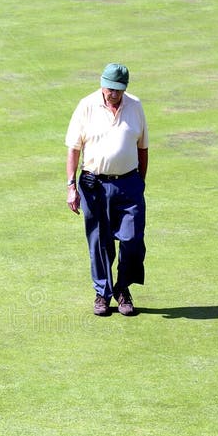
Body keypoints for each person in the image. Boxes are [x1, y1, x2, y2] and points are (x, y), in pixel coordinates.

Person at [65, 63, 149, 317]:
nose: (114, 94)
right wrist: (71, 186)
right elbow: (73, 148)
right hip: (95, 184)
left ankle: (123, 288)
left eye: (119, 89)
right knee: (100, 241)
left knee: (132, 240)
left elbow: (143, 147)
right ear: (102, 84)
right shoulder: (86, 105)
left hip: (129, 183)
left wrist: (140, 182)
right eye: (111, 88)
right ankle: (103, 293)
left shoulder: (135, 106)